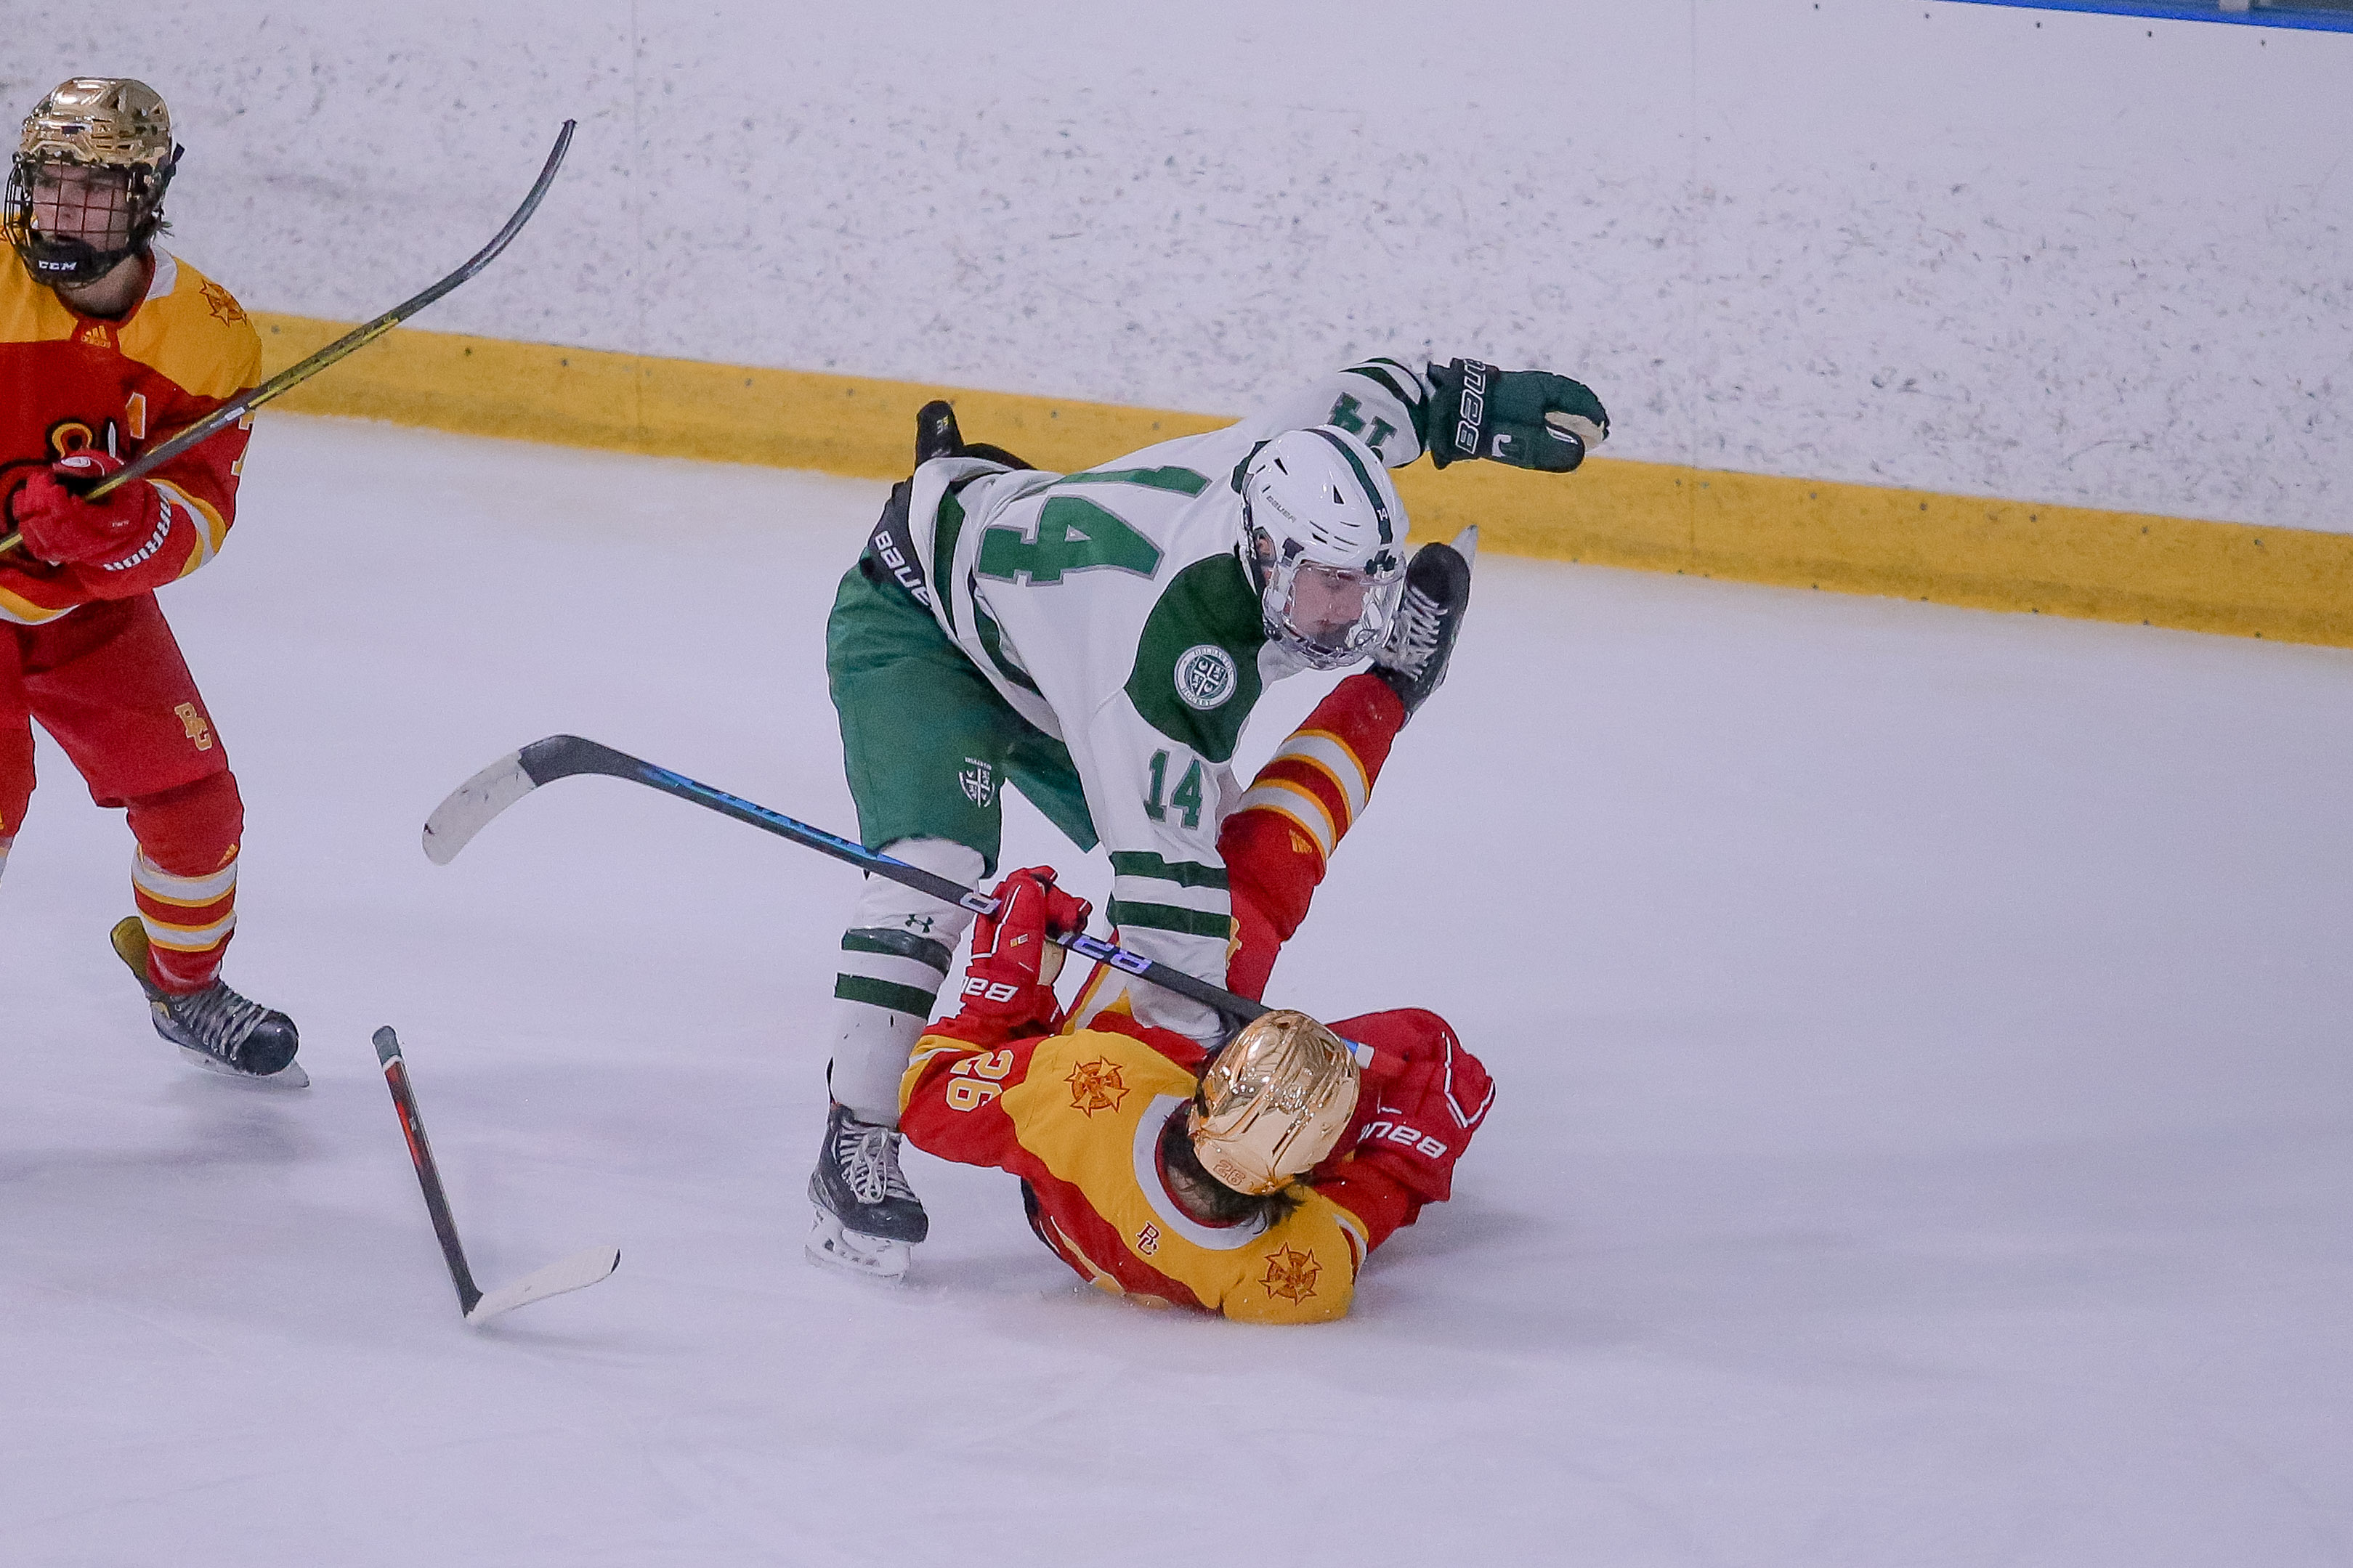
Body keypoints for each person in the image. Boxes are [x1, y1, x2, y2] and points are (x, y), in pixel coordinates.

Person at [809, 353, 1604, 1272]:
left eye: (1365, 580)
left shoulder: (1292, 470)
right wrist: (1216, 1069)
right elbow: (1168, 903)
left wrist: (1478, 400)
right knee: (932, 870)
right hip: (926, 623)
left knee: (1222, 864)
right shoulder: (1160, 665)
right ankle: (854, 1135)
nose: (1353, 611)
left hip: (1046, 635)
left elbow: (1370, 397)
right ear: (1264, 552)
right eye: (1331, 584)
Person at [0, 78, 298, 1084]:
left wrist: (119, 529)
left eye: (95, 188)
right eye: (50, 183)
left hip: (87, 608)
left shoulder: (209, 333)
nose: (64, 211)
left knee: (197, 807)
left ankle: (183, 985)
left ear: (148, 195)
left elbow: (199, 514)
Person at [891, 859, 1493, 1323]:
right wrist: (1415, 1147)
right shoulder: (1301, 1273)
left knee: (1216, 896)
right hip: (1123, 1219)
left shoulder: (1093, 1076)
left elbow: (925, 1098)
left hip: (1064, 1191)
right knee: (1410, 1038)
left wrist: (1008, 983)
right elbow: (1379, 1185)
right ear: (1309, 1170)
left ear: (1208, 1079)